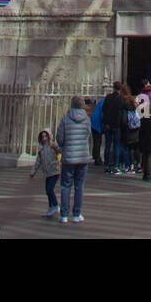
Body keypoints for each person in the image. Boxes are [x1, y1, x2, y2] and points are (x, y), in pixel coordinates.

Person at [56, 95, 91, 223]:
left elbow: (60, 138)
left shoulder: (65, 119)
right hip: (82, 156)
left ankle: (64, 215)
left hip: (69, 157)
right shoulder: (86, 119)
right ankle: (77, 214)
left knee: (65, 186)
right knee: (79, 186)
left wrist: (65, 145)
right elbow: (88, 134)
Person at [29, 128, 61, 218]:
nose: (44, 138)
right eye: (42, 137)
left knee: (50, 189)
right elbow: (38, 162)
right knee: (47, 190)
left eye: (46, 136)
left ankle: (55, 205)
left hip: (55, 170)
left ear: (49, 136)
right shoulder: (41, 149)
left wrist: (58, 147)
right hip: (47, 172)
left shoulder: (53, 145)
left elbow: (60, 150)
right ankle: (51, 207)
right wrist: (33, 172)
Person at [101, 81, 123, 174]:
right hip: (117, 125)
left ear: (113, 87)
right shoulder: (121, 99)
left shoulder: (108, 97)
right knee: (117, 145)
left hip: (108, 124)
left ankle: (106, 165)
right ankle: (115, 165)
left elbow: (103, 109)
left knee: (108, 145)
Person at [136, 84, 151, 181]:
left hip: (143, 140)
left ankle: (145, 171)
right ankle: (148, 173)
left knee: (144, 155)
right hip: (149, 141)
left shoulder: (143, 119)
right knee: (148, 157)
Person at [124, 87, 141, 174]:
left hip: (130, 131)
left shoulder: (128, 112)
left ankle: (131, 165)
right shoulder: (136, 111)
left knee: (130, 149)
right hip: (137, 131)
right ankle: (138, 164)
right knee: (137, 148)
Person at [90, 94, 105, 165]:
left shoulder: (102, 102)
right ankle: (97, 158)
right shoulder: (104, 103)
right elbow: (103, 115)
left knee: (97, 141)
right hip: (97, 124)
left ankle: (95, 156)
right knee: (98, 141)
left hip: (94, 123)